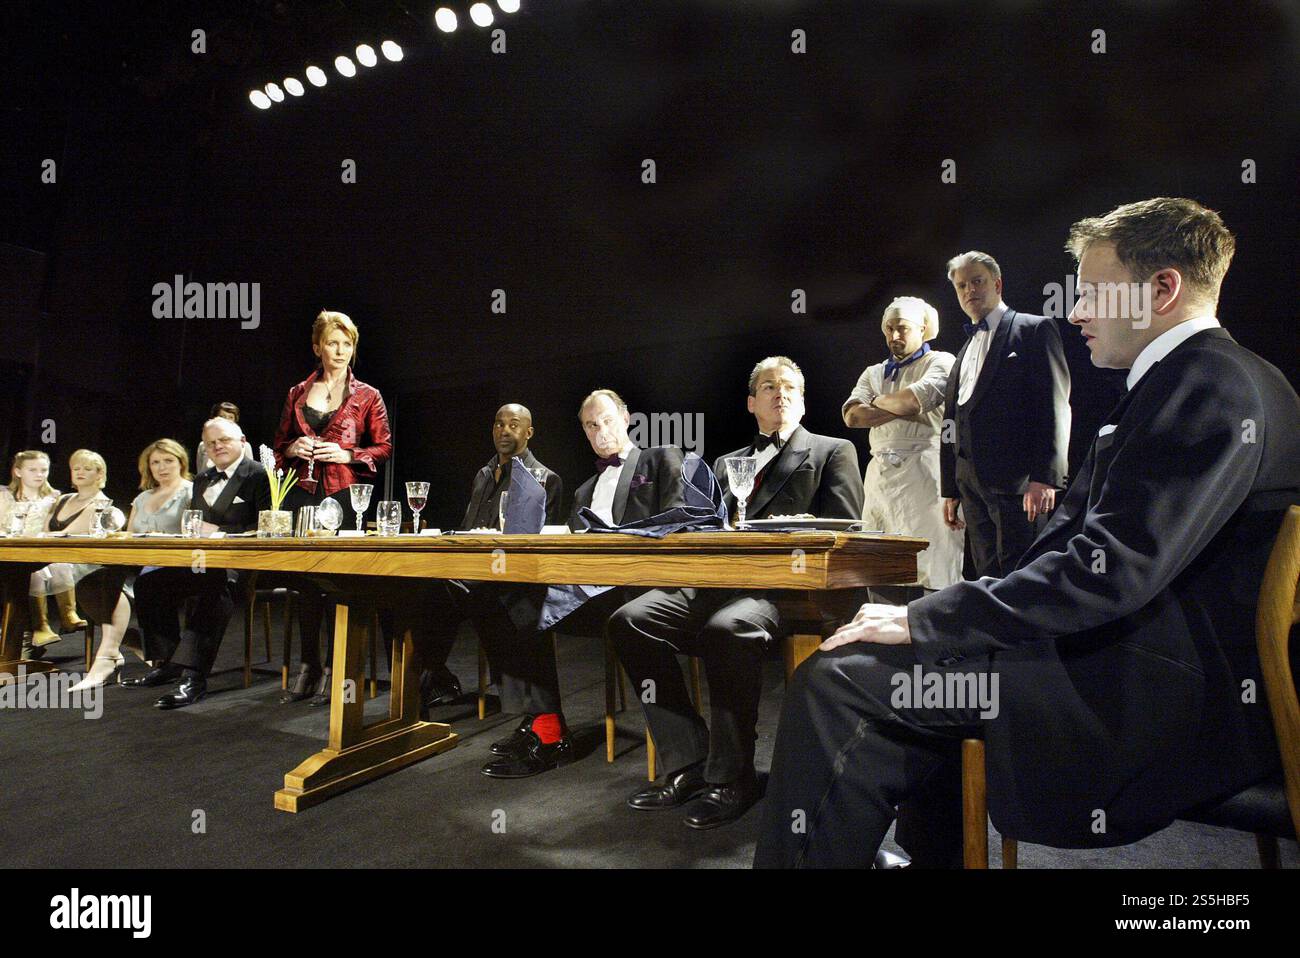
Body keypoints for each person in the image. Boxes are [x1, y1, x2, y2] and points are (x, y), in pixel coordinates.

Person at [754, 197, 1300, 868]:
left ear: (1163, 289)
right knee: (910, 672)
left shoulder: (1210, 384)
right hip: (1140, 664)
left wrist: (929, 618)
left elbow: (1110, 568)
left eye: (1094, 292)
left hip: (1158, 701)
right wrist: (952, 622)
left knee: (838, 681)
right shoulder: (1211, 379)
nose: (1076, 312)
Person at [607, 357, 863, 829]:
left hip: (786, 588)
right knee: (631, 619)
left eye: (789, 387)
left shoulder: (833, 450)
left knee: (727, 628)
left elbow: (842, 530)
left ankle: (734, 777)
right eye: (768, 387)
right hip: (718, 582)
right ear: (751, 402)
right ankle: (687, 761)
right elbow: (706, 525)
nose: (780, 393)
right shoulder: (726, 463)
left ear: (803, 400)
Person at [476, 389, 688, 779]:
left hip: (640, 586)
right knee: (500, 596)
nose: (600, 430)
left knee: (520, 600)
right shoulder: (584, 490)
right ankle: (544, 722)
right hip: (588, 592)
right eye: (591, 425)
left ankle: (548, 728)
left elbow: (678, 521)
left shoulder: (661, 458)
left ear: (626, 419)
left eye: (607, 420)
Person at [272, 310, 392, 705]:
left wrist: (346, 452)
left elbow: (384, 447)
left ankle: (332, 667)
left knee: (336, 581)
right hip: (301, 493)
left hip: (343, 496)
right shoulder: (296, 393)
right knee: (305, 582)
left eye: (347, 344)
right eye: (332, 343)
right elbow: (277, 448)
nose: (340, 351)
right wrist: (291, 447)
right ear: (317, 347)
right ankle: (307, 665)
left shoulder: (367, 395)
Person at [411, 403, 564, 708]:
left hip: (512, 577)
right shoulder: (483, 474)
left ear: (528, 432)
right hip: (471, 572)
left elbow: (544, 545)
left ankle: (427, 682)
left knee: (459, 595)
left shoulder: (545, 479)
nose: (504, 430)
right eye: (498, 424)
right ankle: (428, 678)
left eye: (514, 424)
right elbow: (470, 528)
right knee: (410, 589)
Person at [122, 417, 271, 709]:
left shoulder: (260, 475)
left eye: (224, 440)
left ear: (242, 441)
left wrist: (222, 533)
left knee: (213, 585)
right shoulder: (202, 478)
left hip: (242, 564)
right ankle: (168, 662)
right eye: (211, 443)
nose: (218, 447)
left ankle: (193, 677)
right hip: (201, 561)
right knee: (148, 582)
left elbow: (268, 528)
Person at [941, 251, 1071, 577]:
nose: (969, 290)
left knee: (1022, 576)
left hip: (1020, 484)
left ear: (997, 284)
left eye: (977, 281)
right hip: (971, 485)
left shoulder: (1034, 329)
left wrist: (1046, 478)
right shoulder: (964, 350)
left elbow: (1054, 405)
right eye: (961, 286)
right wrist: (951, 488)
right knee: (985, 577)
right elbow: (952, 420)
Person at [844, 296, 963, 601]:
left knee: (934, 563)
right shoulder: (873, 372)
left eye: (903, 328)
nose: (895, 336)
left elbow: (912, 401)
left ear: (923, 328)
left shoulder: (941, 362)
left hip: (925, 474)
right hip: (881, 479)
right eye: (889, 329)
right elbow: (852, 416)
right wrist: (902, 406)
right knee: (880, 566)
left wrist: (881, 403)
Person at [72, 439, 196, 691]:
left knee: (148, 583)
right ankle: (117, 647)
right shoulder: (142, 498)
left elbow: (195, 533)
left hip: (182, 564)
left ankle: (151, 658)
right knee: (97, 576)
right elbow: (129, 538)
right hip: (143, 563)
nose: (162, 467)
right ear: (147, 467)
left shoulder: (191, 492)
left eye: (168, 461)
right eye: (155, 463)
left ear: (181, 463)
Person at [194, 402, 253, 474]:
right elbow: (200, 471)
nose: (226, 420)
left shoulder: (244, 445)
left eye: (231, 417)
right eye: (223, 417)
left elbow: (250, 471)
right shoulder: (203, 445)